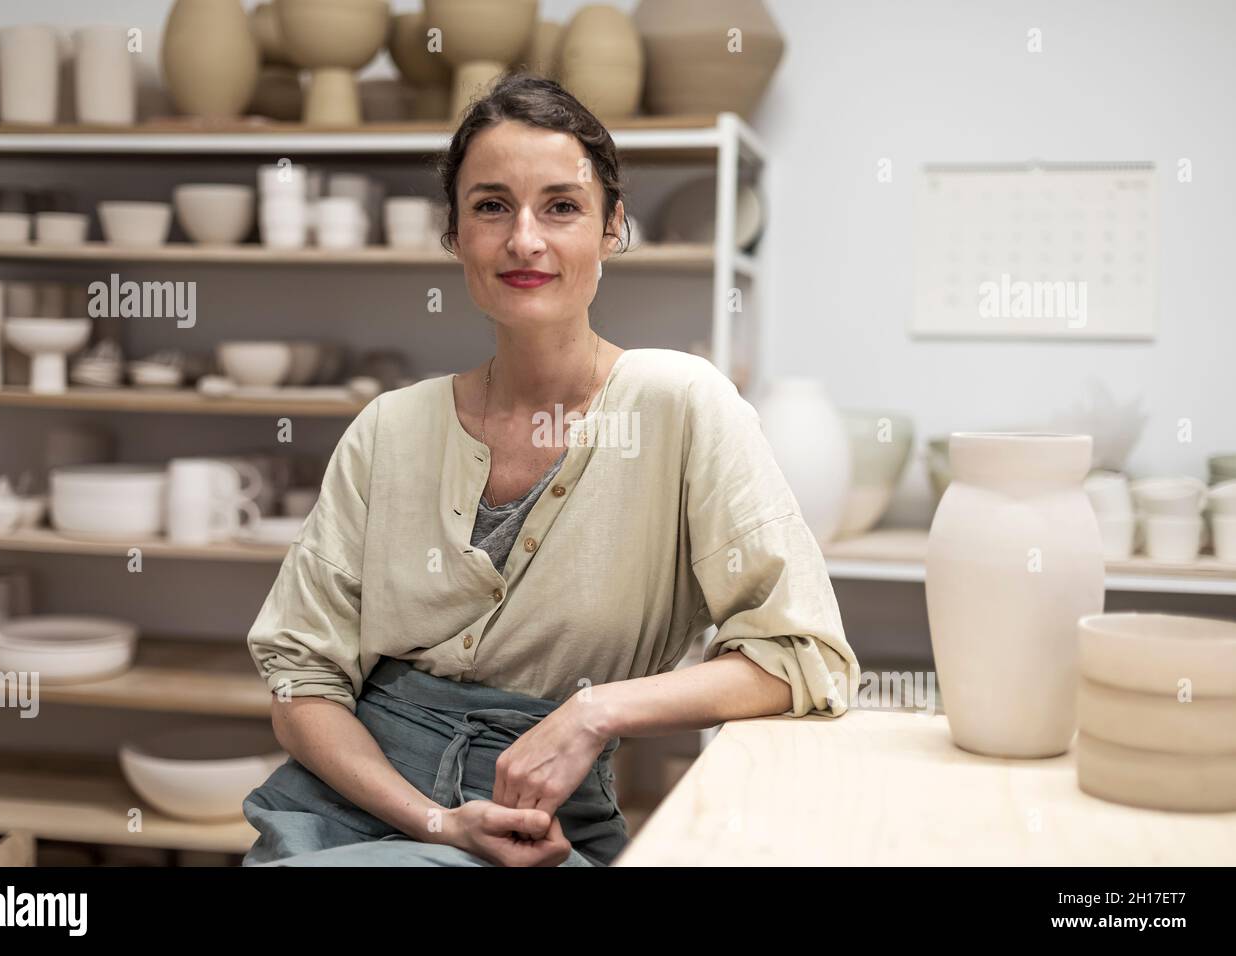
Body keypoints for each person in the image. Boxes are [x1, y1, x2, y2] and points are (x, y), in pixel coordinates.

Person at [241, 72, 860, 867]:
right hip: (347, 807)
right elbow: (302, 685)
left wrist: (594, 712)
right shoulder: (387, 430)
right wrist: (437, 822)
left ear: (612, 229)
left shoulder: (683, 405)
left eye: (561, 206)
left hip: (539, 829)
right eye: (491, 206)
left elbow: (801, 657)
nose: (524, 240)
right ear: (455, 234)